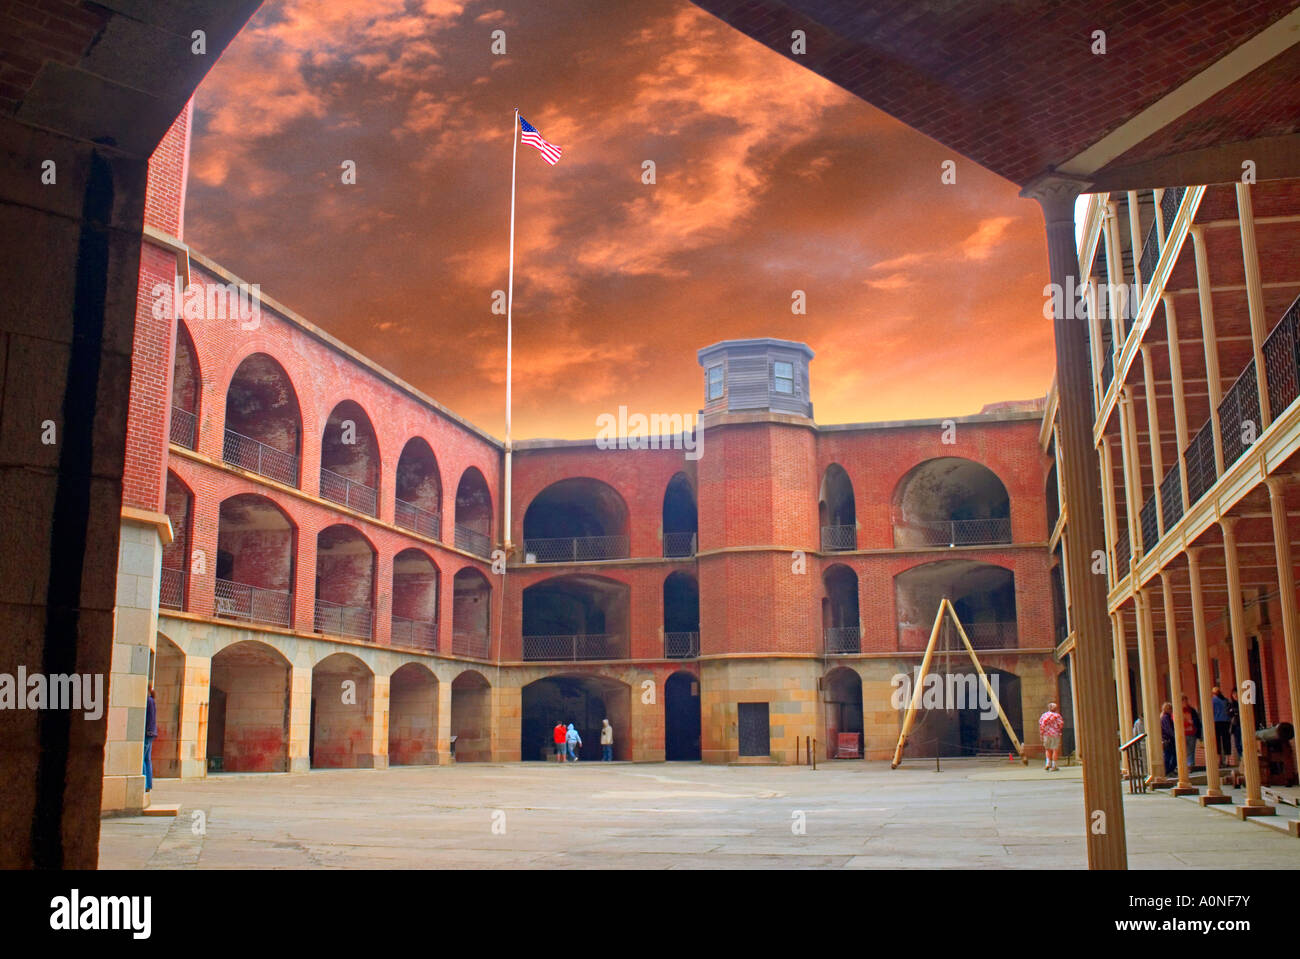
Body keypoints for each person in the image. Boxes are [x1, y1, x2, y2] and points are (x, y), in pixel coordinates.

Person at [1038, 702, 1064, 771]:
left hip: (1046, 734)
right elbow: (1061, 724)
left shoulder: (1044, 715)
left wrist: (1042, 734)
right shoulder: (1057, 716)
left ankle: (1047, 764)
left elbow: (1040, 724)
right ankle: (1054, 765)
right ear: (1055, 709)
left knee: (1047, 749)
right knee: (1055, 750)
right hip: (1055, 734)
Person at [1211, 685, 1231, 764]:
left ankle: (1218, 759)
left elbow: (1211, 712)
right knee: (1226, 740)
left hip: (1216, 722)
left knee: (1217, 741)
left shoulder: (1213, 701)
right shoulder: (1226, 700)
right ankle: (1227, 759)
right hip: (1226, 722)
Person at [1181, 695, 1200, 772]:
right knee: (1183, 750)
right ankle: (1184, 766)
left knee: (1191, 750)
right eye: (1183, 701)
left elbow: (1196, 721)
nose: (1185, 702)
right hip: (1182, 734)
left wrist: (1198, 732)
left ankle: (1190, 766)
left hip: (1191, 733)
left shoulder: (1192, 710)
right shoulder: (1178, 710)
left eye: (1186, 700)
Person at [144, 685, 157, 793]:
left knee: (143, 759)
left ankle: (145, 784)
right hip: (151, 732)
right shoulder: (151, 700)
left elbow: (147, 719)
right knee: (147, 759)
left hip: (147, 733)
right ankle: (148, 784)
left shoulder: (148, 701)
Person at [1159, 701, 1176, 776]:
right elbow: (1168, 728)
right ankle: (1168, 770)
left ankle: (1169, 770)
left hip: (1167, 739)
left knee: (1168, 755)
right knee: (1170, 755)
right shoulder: (1166, 717)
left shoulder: (1164, 717)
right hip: (1168, 739)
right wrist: (1174, 735)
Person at [1228, 688, 1243, 768]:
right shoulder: (1231, 704)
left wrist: (1235, 712)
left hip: (1243, 725)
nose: (1235, 696)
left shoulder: (1243, 702)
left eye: (1236, 694)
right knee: (1238, 744)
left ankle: (1244, 757)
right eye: (1234, 694)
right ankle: (1241, 757)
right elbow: (1229, 713)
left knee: (1242, 742)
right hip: (1235, 726)